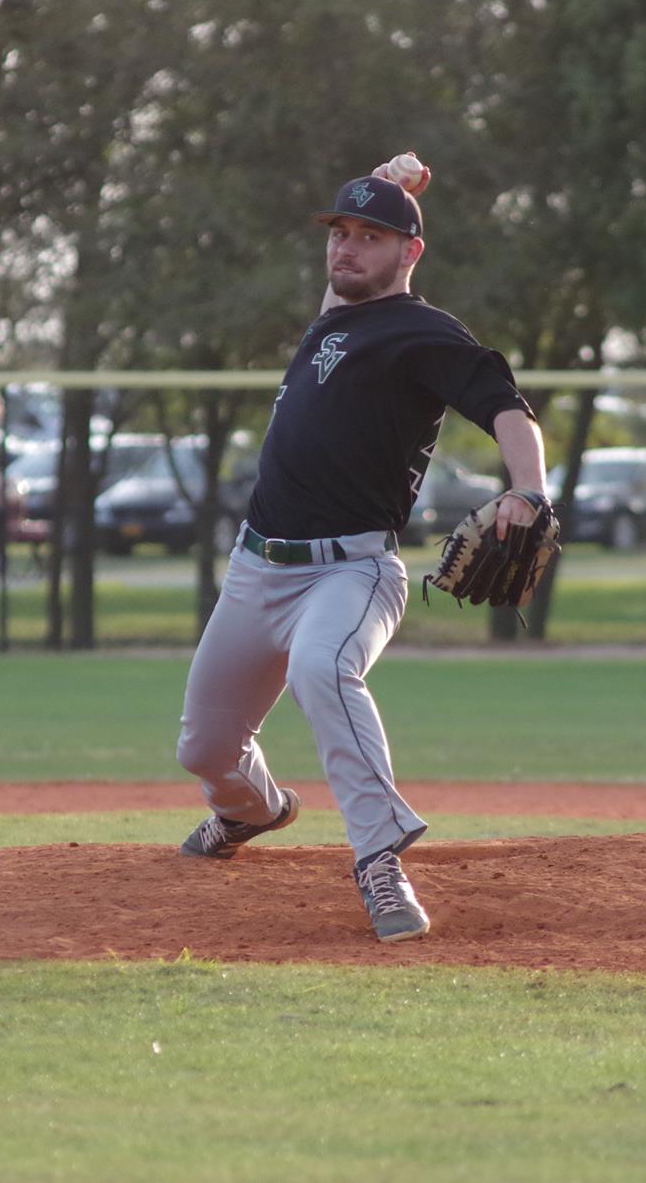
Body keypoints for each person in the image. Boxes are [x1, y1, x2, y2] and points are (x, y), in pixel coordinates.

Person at [174, 159, 547, 943]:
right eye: (339, 233)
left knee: (322, 668)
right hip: (254, 569)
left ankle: (379, 857)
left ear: (411, 253)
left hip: (349, 572)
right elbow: (343, 277)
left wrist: (532, 490)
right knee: (204, 747)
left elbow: (507, 408)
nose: (345, 248)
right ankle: (255, 809)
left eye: (369, 236)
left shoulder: (424, 333)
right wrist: (384, 185)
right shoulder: (332, 321)